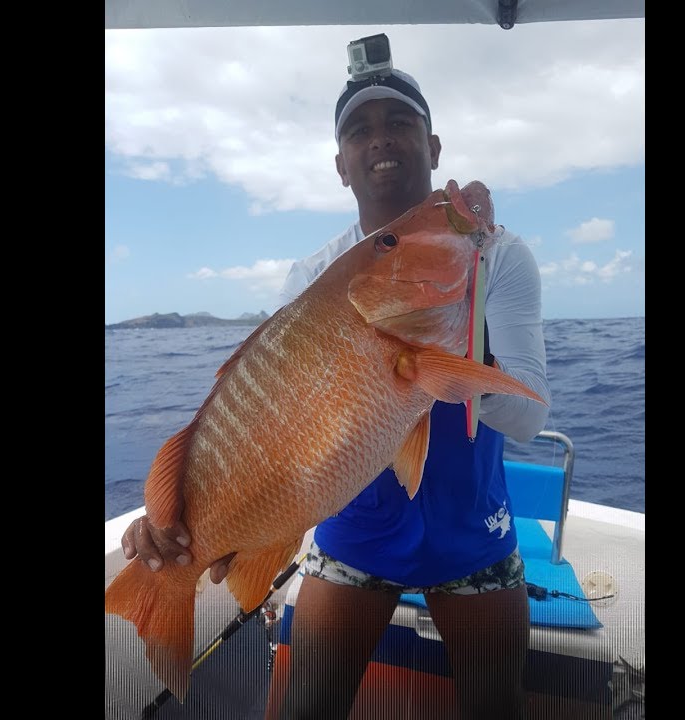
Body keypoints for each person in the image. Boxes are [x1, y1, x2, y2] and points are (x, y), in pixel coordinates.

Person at [121, 65, 550, 719]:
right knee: (303, 709)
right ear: (341, 164)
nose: (380, 139)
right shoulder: (312, 274)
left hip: (472, 528)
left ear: (433, 148)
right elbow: (271, 419)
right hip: (355, 529)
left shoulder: (500, 256)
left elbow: (526, 416)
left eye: (400, 122)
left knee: (498, 708)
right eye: (360, 130)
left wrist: (436, 356)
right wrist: (192, 519)